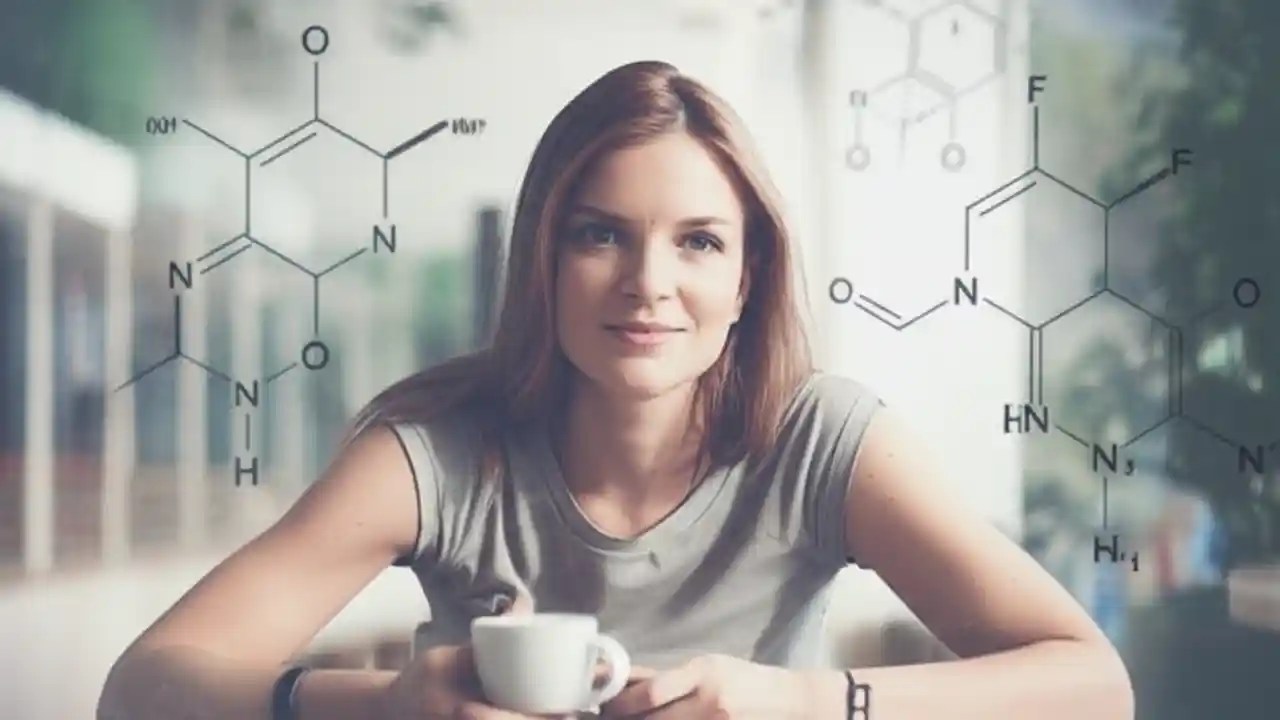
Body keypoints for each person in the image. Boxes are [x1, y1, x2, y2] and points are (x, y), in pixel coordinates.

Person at [98, 61, 1134, 720]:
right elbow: (141, 687)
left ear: (747, 279)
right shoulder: (434, 449)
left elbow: (1091, 686)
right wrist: (387, 704)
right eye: (599, 235)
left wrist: (804, 704)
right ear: (541, 261)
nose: (647, 283)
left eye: (698, 242)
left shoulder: (824, 441)